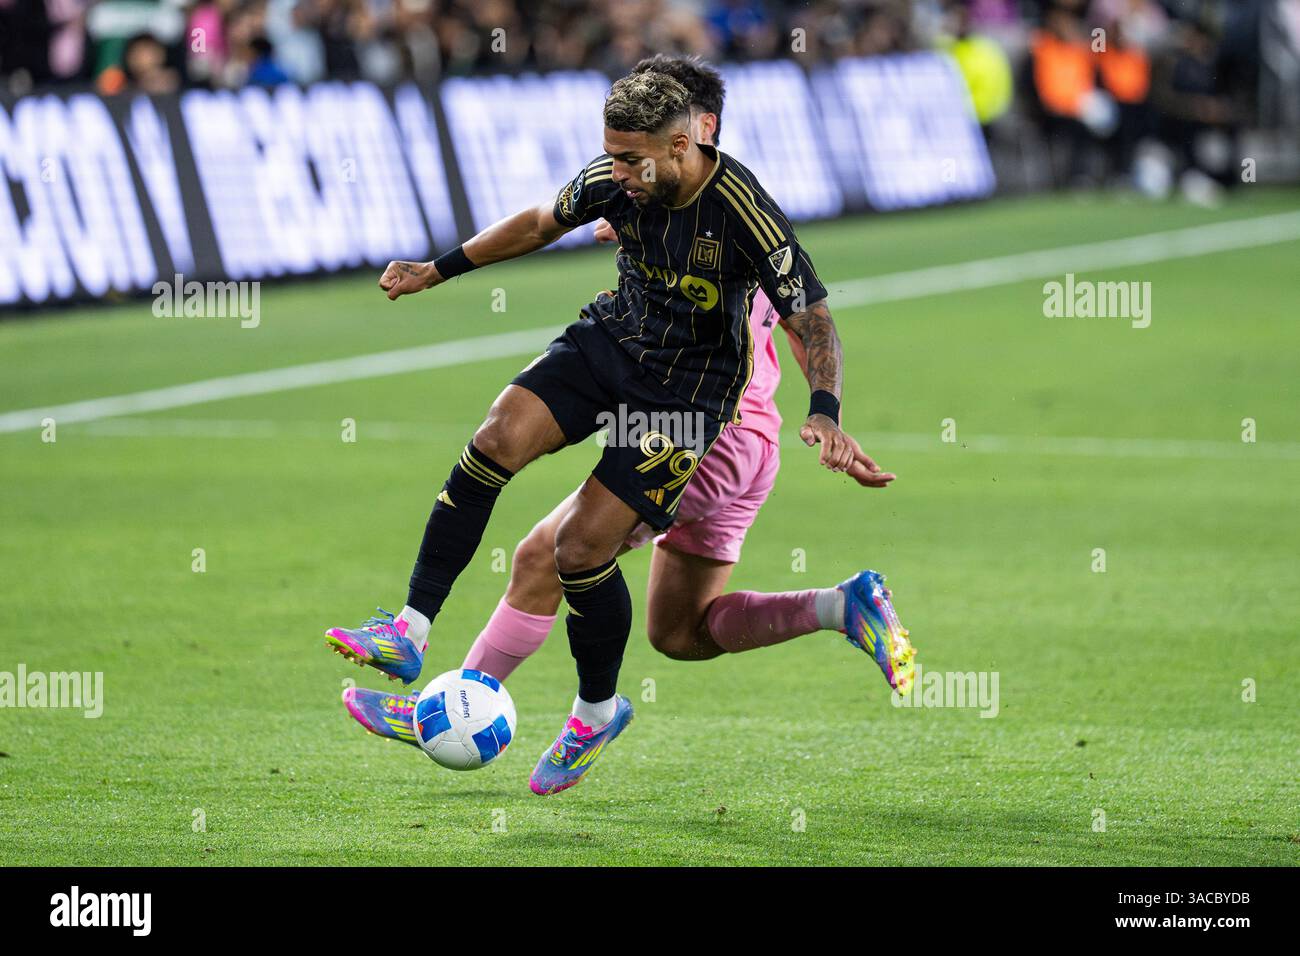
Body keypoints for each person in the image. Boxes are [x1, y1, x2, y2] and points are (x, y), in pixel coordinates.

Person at [341, 55, 916, 783]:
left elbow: (806, 318)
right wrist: (440, 267)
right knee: (676, 629)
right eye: (612, 154)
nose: (616, 170)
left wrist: (828, 414)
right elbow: (542, 220)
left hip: (704, 425)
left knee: (563, 554)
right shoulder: (629, 191)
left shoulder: (744, 216)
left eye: (630, 158)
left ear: (693, 137)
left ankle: (518, 707)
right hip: (644, 371)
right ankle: (418, 642)